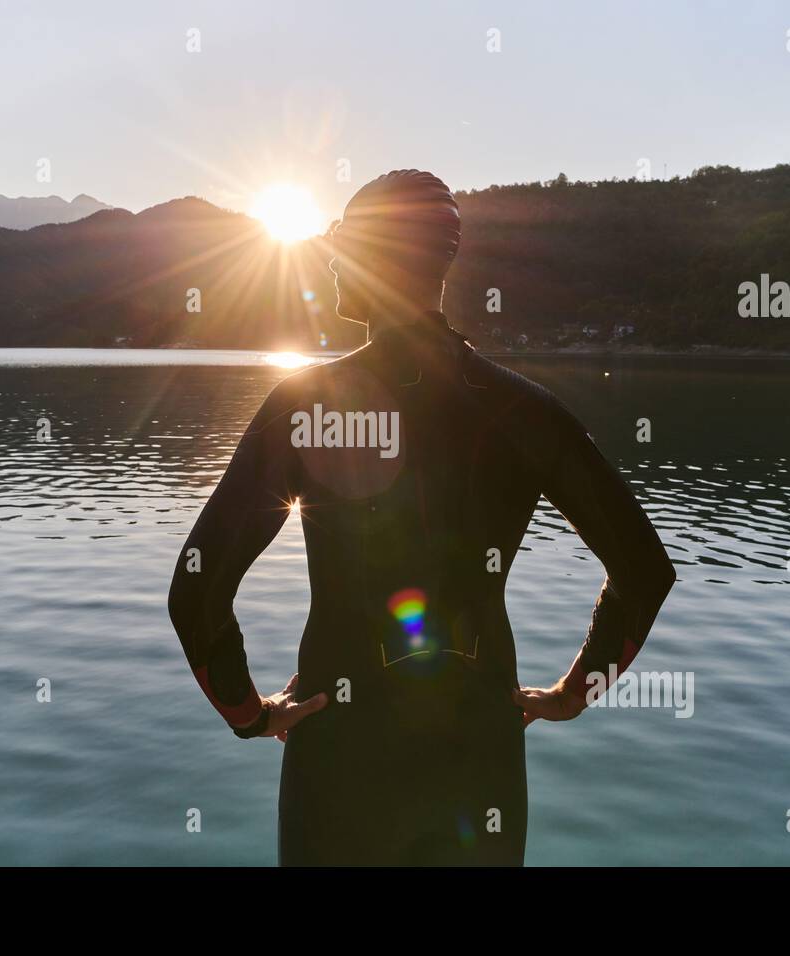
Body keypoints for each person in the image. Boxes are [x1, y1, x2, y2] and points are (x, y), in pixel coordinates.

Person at [168, 169, 675, 865]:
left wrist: (250, 715)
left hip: (341, 753)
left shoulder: (304, 406)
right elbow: (645, 570)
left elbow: (197, 589)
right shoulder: (526, 411)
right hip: (478, 753)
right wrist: (572, 693)